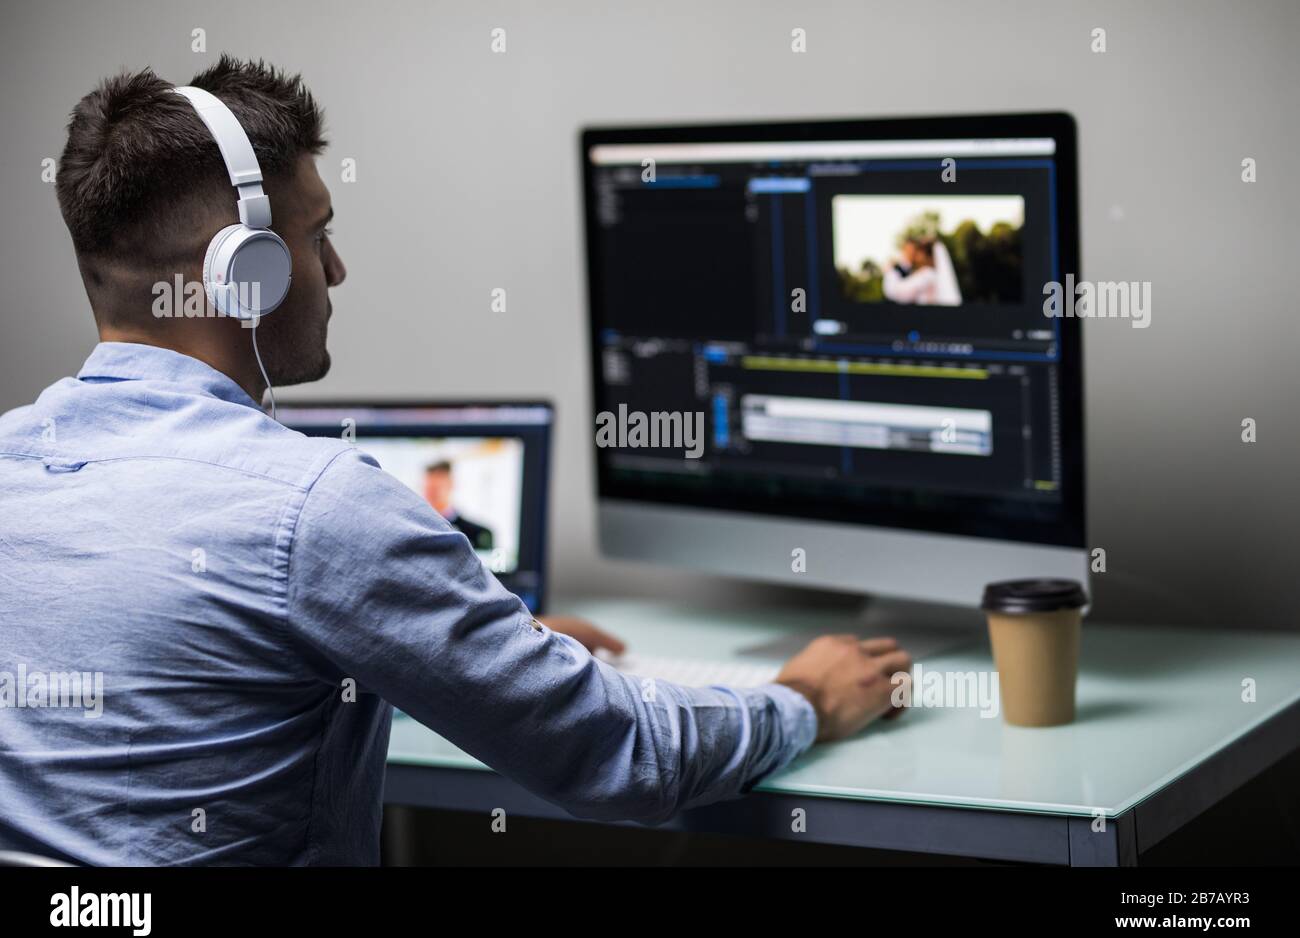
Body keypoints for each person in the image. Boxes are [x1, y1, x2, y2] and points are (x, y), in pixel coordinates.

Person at [0, 57, 911, 865]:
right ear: (250, 271)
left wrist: (467, 642)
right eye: (317, 236)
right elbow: (622, 757)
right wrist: (804, 701)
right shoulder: (314, 510)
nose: (339, 269)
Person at [422, 460, 494, 550]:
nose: (432, 494)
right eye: (429, 488)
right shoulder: (416, 530)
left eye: (437, 488)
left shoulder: (480, 534)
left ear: (451, 484)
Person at [883, 234, 963, 306]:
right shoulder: (936, 275)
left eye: (918, 252)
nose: (916, 256)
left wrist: (889, 272)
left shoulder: (927, 275)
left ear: (925, 255)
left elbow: (897, 293)